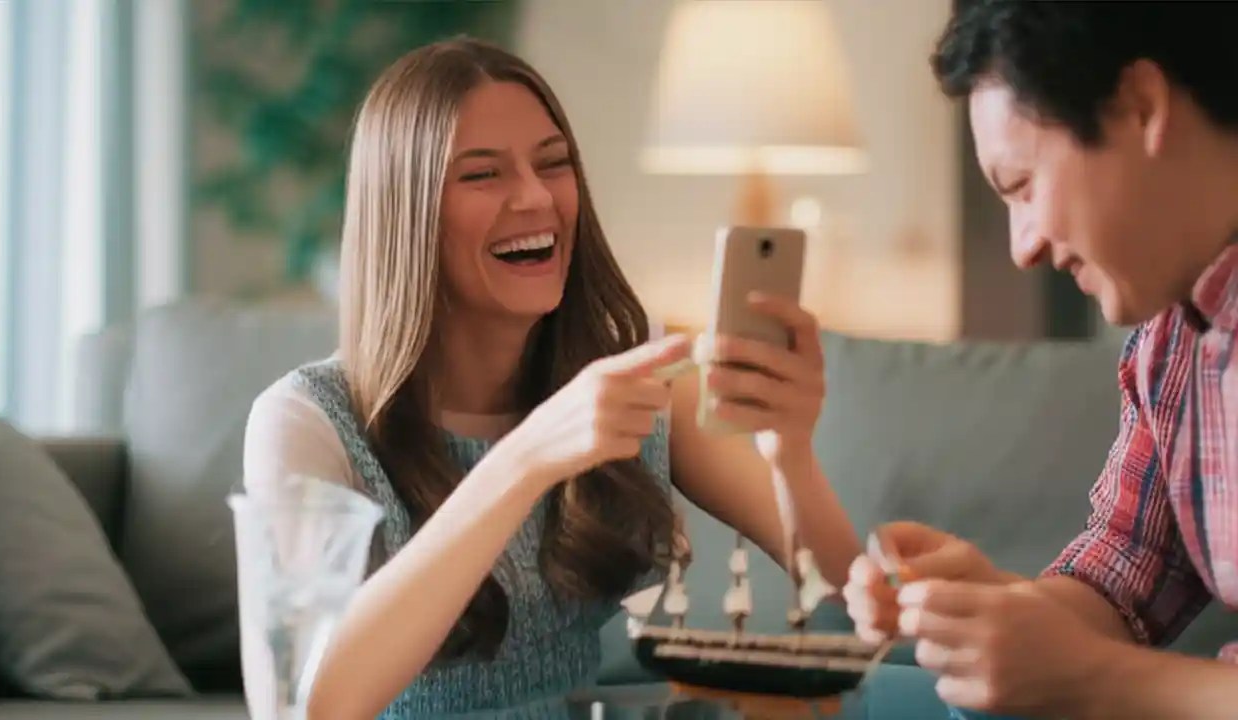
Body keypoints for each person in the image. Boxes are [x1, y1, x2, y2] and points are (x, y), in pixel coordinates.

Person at [240, 37, 860, 719]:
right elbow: (305, 708)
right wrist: (529, 456)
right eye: (482, 175)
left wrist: (793, 456)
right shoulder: (307, 421)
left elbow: (852, 591)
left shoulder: (637, 383)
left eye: (554, 164)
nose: (536, 197)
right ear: (406, 213)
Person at [843, 2, 1238, 718]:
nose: (1021, 246)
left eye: (1022, 186)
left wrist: (1095, 677)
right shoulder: (1171, 344)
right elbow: (1122, 576)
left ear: (1139, 106)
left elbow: (1096, 664)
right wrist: (995, 610)